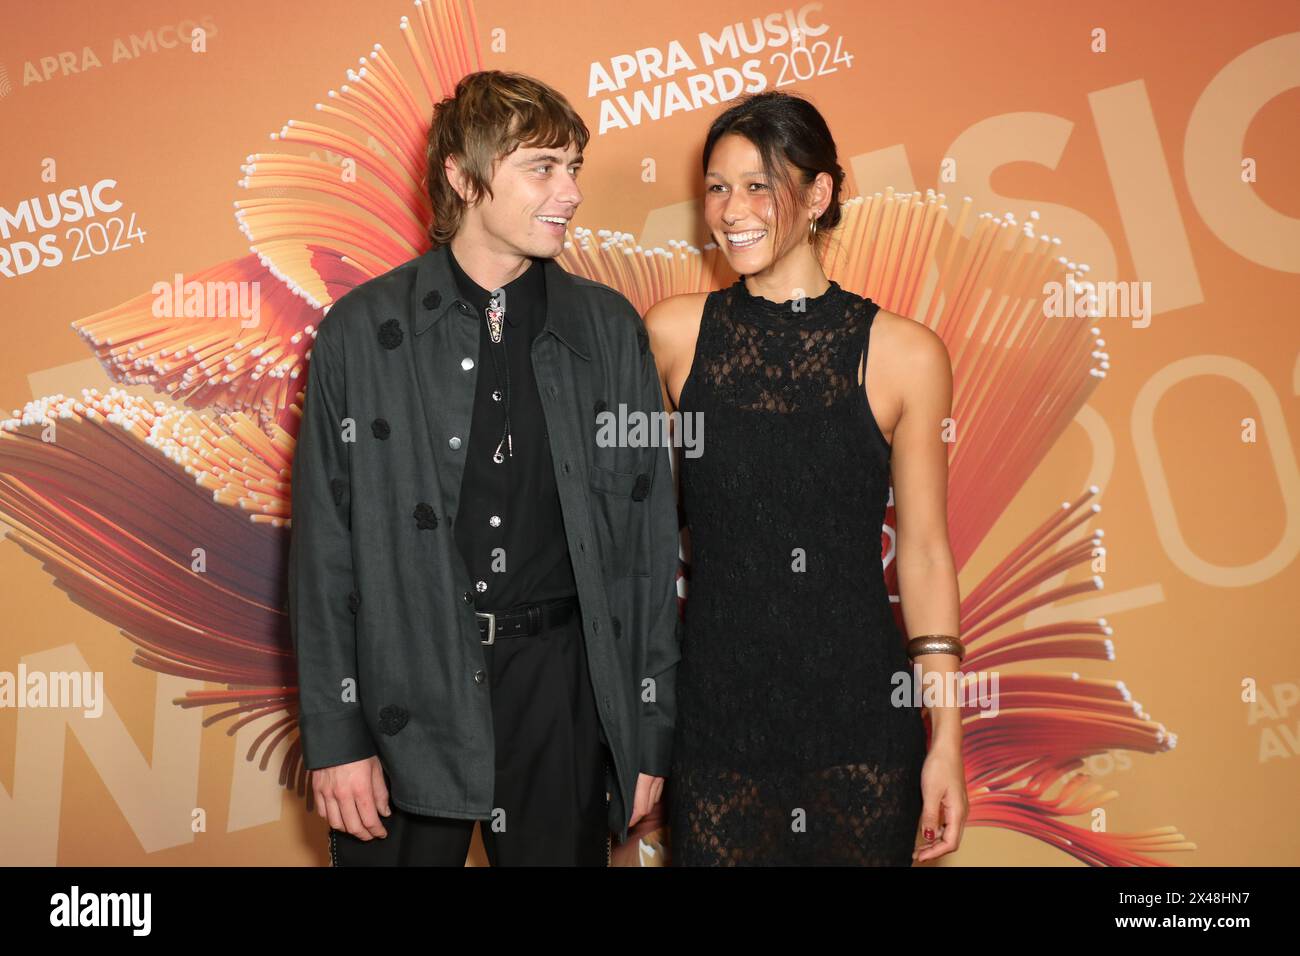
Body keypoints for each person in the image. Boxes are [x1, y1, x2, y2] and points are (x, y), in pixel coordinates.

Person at [287, 70, 681, 866]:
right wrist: (336, 737)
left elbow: (645, 548)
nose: (569, 192)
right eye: (542, 167)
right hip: (407, 684)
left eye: (574, 167)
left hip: (561, 695)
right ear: (464, 179)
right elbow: (325, 554)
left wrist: (647, 730)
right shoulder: (362, 334)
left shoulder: (608, 331)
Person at [644, 91, 969, 865]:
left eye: (760, 185)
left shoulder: (907, 355)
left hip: (861, 723)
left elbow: (923, 553)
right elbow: (639, 549)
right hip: (715, 721)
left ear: (819, 194)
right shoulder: (669, 335)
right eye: (718, 187)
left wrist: (947, 741)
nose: (733, 209)